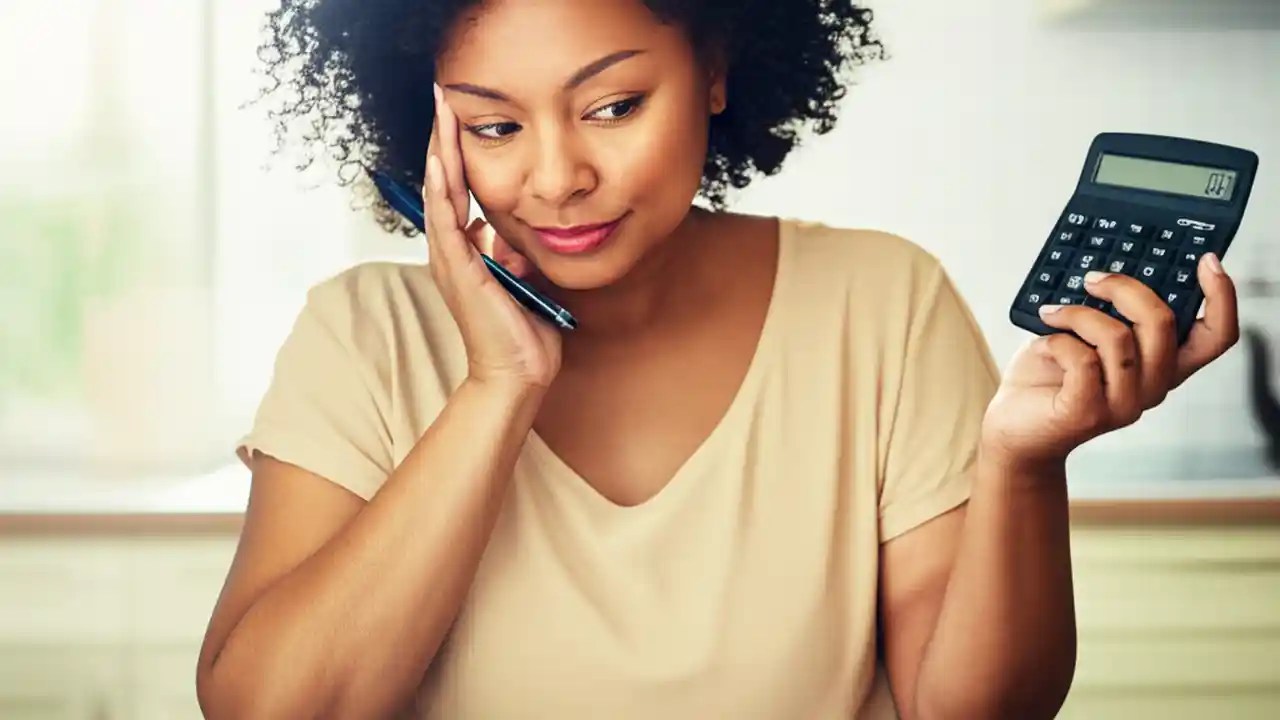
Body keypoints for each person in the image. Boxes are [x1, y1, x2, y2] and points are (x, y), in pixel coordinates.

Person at [195, 1, 1242, 718]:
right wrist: (497, 387)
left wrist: (1021, 464)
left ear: (714, 70)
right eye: (493, 124)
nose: (556, 177)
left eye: (611, 106)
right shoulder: (363, 333)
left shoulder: (880, 301)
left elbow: (963, 709)